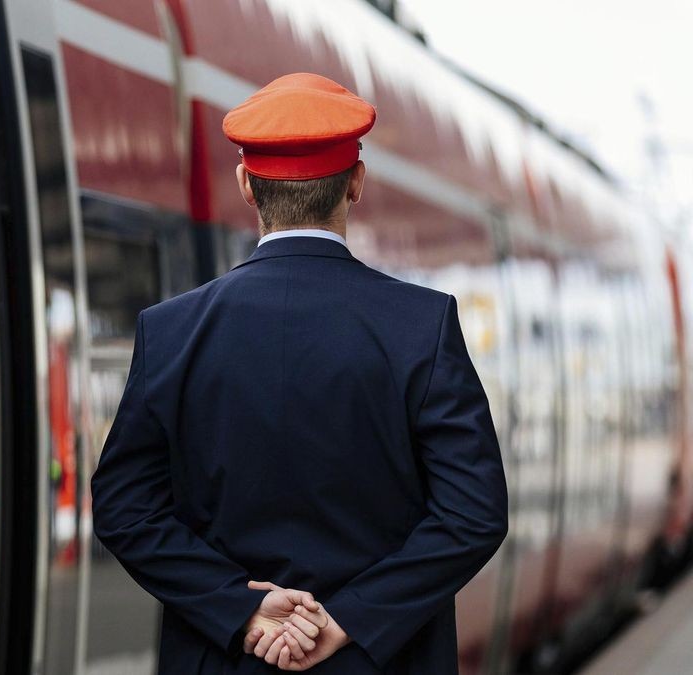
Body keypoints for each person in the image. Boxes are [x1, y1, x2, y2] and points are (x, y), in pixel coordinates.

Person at [90, 73, 509, 674]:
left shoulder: (172, 331)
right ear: (356, 183)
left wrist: (241, 608)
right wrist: (351, 619)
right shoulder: (422, 325)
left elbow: (124, 507)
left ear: (245, 185)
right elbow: (474, 513)